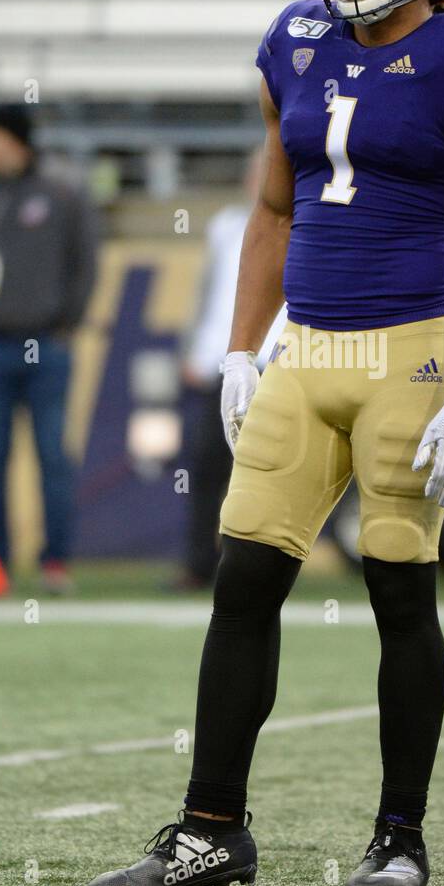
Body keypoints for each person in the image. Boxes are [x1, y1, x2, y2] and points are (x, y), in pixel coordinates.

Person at [88, 0, 444, 886]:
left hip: (411, 352)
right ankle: (210, 831)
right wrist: (242, 345)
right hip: (305, 348)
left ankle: (398, 833)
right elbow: (274, 208)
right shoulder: (292, 41)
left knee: (397, 589)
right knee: (242, 581)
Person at [0, 105, 98, 591]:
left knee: (53, 456)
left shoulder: (62, 195)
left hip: (45, 346)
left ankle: (56, 563)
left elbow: (85, 263)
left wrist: (68, 324)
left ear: (16, 140)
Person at [175, 147, 287, 590]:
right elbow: (209, 292)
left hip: (276, 362)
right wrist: (193, 348)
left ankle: (265, 569)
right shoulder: (225, 225)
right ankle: (200, 563)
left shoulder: (300, 223)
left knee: (274, 473)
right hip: (223, 363)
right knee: (207, 466)